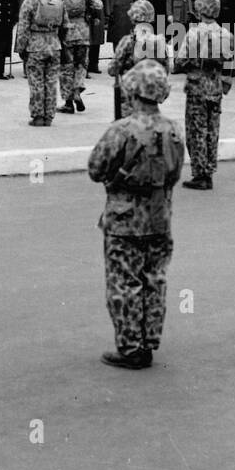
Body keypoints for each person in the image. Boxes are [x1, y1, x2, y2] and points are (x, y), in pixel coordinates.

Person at [87, 60, 185, 370]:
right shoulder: (173, 130)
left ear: (133, 91)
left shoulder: (121, 129)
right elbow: (174, 172)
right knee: (154, 279)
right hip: (159, 215)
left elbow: (95, 168)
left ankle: (130, 347)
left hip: (125, 218)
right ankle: (149, 340)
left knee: (124, 282)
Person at [179, 0, 231, 190]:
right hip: (215, 86)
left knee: (196, 130)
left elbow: (181, 61)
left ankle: (200, 173)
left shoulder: (193, 34)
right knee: (212, 130)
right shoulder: (225, 34)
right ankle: (209, 169)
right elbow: (228, 60)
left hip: (197, 85)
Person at [17, 0, 65, 127]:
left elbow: (23, 28)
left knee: (36, 82)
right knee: (51, 82)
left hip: (36, 46)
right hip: (54, 45)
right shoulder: (58, 2)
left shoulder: (29, 3)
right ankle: (49, 115)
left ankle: (38, 115)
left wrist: (21, 48)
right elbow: (65, 26)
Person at [56, 0, 103, 114]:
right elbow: (99, 4)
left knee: (65, 67)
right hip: (83, 31)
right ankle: (78, 90)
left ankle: (68, 102)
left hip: (65, 32)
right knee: (81, 64)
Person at [109, 0, 171, 116]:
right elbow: (166, 70)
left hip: (129, 95)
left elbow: (112, 70)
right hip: (150, 94)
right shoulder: (159, 41)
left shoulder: (127, 41)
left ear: (132, 18)